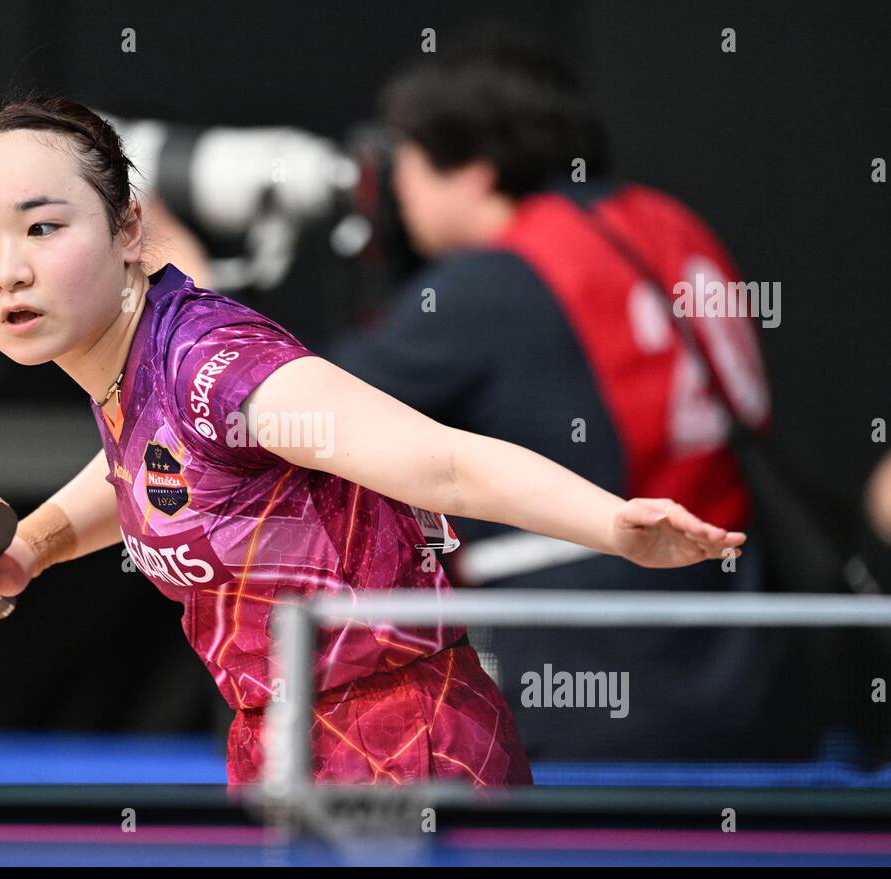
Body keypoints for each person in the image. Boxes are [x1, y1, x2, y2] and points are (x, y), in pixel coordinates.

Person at [0, 94, 743, 787]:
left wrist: (611, 526)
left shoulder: (218, 370)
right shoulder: (133, 362)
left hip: (403, 748)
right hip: (285, 741)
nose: (8, 269)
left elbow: (441, 463)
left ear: (129, 229)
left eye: (42, 228)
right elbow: (152, 468)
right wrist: (33, 547)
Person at [327, 32, 798, 761]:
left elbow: (291, 409)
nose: (398, 187)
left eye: (409, 160)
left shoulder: (497, 281)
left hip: (589, 682)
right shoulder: (670, 223)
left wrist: (189, 297)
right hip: (738, 661)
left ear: (476, 172)